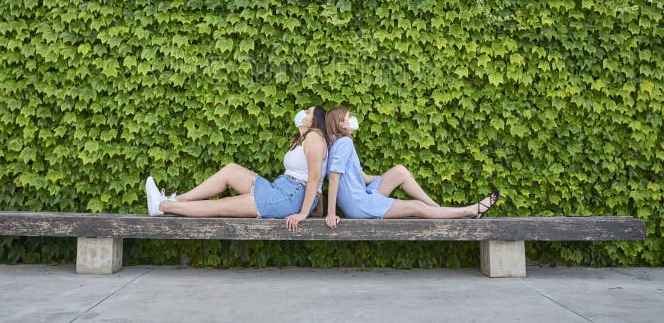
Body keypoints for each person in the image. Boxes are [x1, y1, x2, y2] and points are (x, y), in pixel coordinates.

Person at [145, 106, 328, 232]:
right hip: (282, 189)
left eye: (307, 111)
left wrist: (304, 213)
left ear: (314, 120)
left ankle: (162, 206)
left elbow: (315, 177)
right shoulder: (305, 139)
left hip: (289, 197)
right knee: (230, 170)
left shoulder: (314, 137)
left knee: (222, 205)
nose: (302, 113)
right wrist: (317, 208)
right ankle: (174, 199)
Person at [323, 106, 500, 229]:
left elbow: (364, 178)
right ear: (342, 124)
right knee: (416, 206)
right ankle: (471, 210)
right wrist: (331, 213)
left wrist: (401, 178)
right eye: (349, 117)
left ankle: (437, 209)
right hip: (360, 204)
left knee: (400, 170)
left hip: (362, 196)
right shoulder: (345, 143)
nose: (353, 119)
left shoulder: (339, 144)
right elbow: (334, 177)